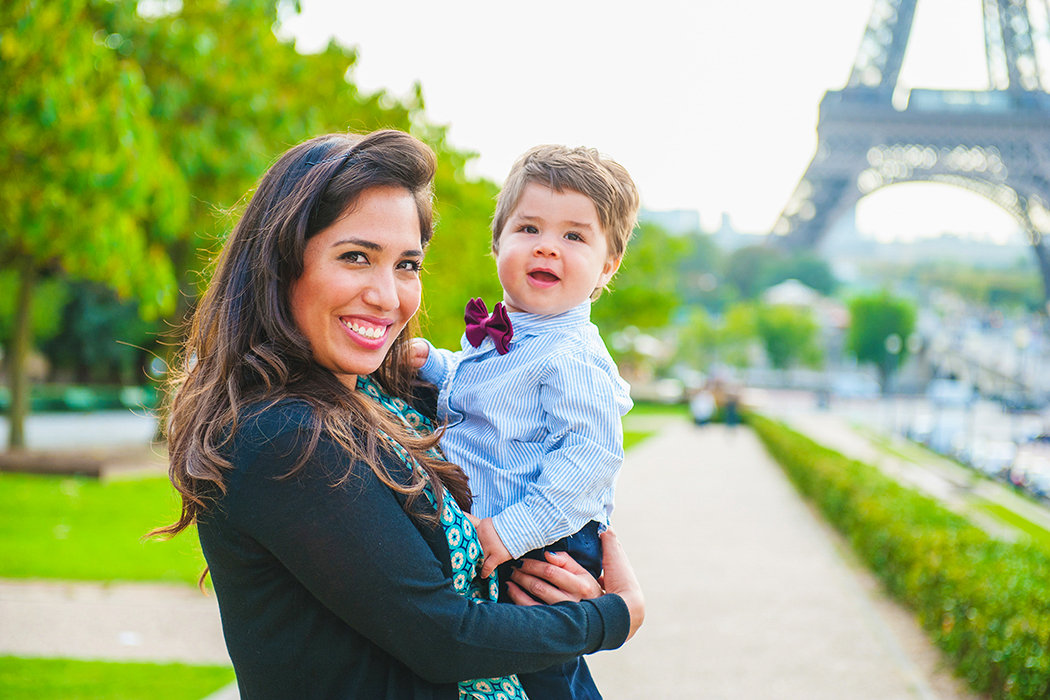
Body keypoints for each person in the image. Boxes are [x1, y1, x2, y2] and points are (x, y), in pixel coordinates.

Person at [154, 130, 643, 700]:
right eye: (356, 257)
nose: (388, 297)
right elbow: (442, 637)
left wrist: (561, 588)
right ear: (284, 261)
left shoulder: (385, 398)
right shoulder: (282, 434)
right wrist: (614, 616)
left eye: (407, 264)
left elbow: (556, 451)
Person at [411, 144, 640, 700]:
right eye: (528, 227)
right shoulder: (509, 336)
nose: (547, 246)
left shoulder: (573, 356)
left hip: (540, 542)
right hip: (501, 532)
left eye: (574, 236)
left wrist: (510, 533)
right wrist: (434, 364)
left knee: (542, 679)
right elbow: (481, 387)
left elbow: (588, 462)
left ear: (607, 265)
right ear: (497, 244)